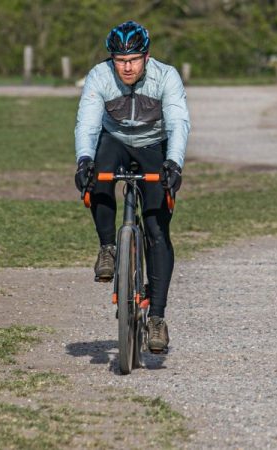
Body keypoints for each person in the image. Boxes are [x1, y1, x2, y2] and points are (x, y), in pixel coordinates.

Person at [74, 21, 190, 354]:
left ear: (146, 57)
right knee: (99, 175)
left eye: (134, 59)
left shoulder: (166, 77)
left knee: (156, 229)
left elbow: (179, 120)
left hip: (155, 144)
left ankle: (156, 318)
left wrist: (174, 164)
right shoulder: (99, 76)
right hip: (115, 140)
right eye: (120, 60)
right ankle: (109, 247)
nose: (126, 67)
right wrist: (84, 160)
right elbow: (88, 122)